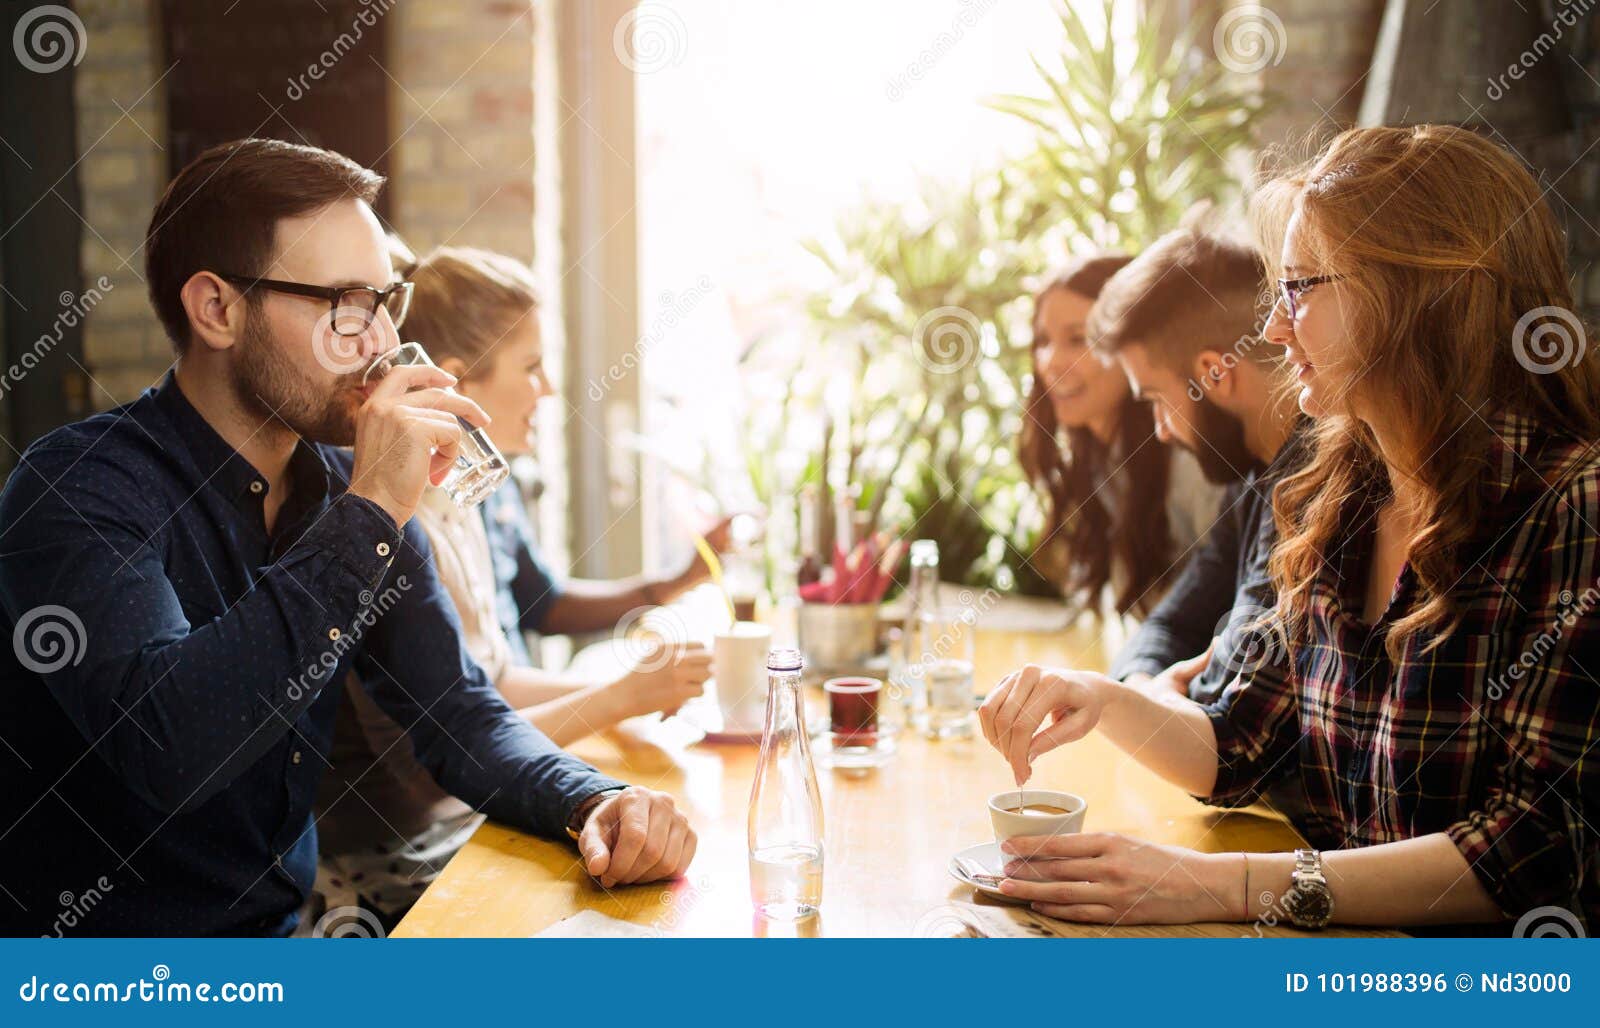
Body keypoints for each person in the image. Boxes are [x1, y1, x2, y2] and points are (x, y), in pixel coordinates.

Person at [0, 138, 694, 938]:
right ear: (217, 310)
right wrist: (369, 511)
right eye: (347, 304)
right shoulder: (79, 488)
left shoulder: (337, 481)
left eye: (386, 300)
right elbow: (172, 748)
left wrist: (592, 799)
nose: (381, 339)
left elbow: (458, 713)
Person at [978, 124, 1600, 932]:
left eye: (1300, 287)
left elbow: (1533, 848)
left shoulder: (1571, 510)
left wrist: (1221, 884)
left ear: (1413, 295)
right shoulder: (1332, 493)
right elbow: (1238, 744)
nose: (1273, 328)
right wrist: (1094, 697)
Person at [313, 245, 732, 920]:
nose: (548, 390)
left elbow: (491, 680)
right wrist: (619, 695)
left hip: (466, 824)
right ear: (454, 384)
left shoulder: (463, 500)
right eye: (532, 368)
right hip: (404, 861)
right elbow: (440, 758)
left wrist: (639, 689)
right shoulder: (392, 521)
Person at [1086, 229, 1308, 704]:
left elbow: (1230, 713)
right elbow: (1170, 625)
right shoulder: (1254, 475)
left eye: (1155, 399)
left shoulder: (1311, 487)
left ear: (1216, 373)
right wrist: (1145, 686)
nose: (1161, 430)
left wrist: (1151, 703)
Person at [1019, 257, 1222, 621]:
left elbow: (1244, 608)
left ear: (1132, 346)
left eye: (1078, 339)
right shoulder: (1095, 459)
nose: (1051, 361)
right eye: (1043, 341)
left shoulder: (1191, 458)